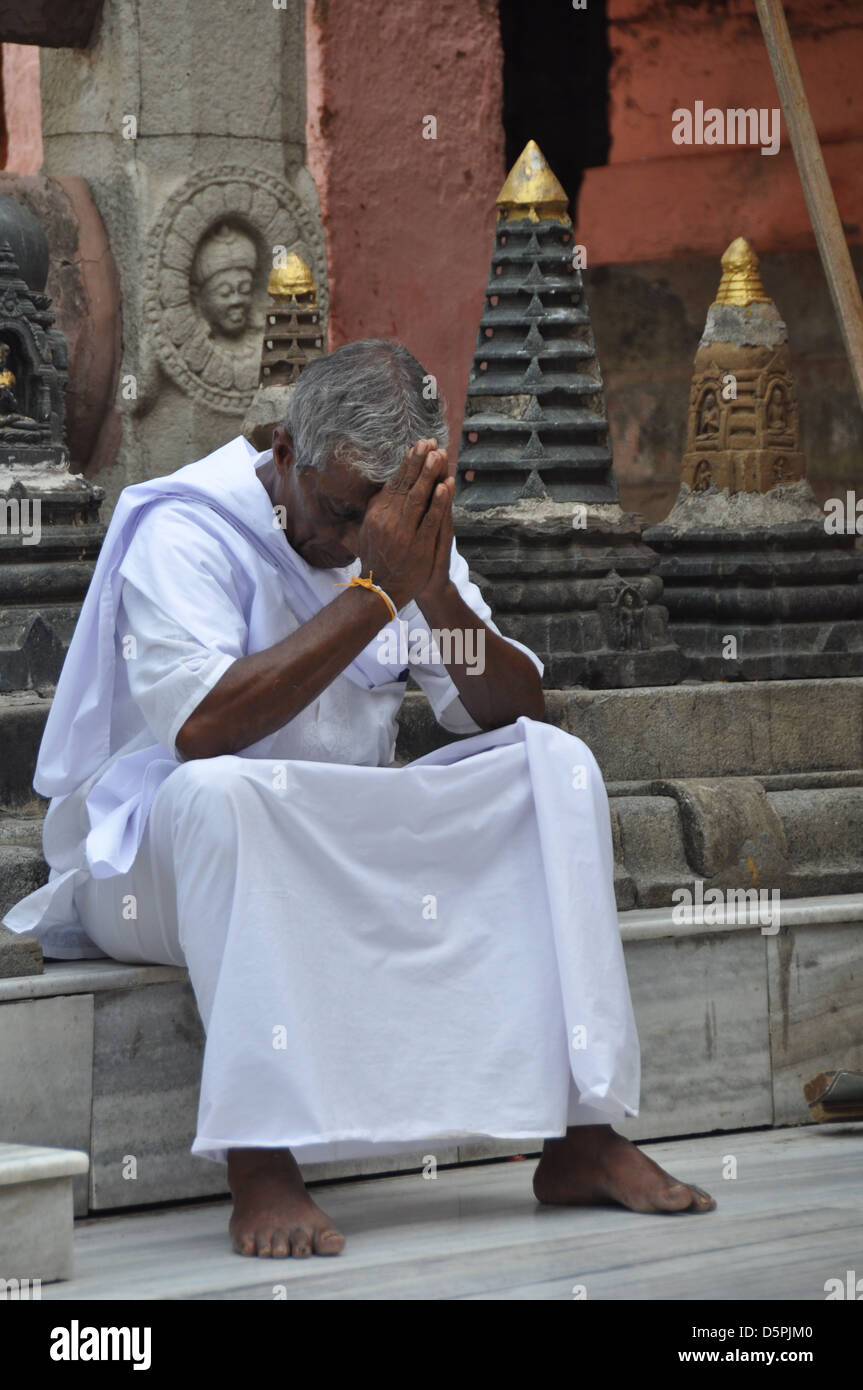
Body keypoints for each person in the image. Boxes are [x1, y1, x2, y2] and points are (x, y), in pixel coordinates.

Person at [3, 339, 715, 1259]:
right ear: (284, 450)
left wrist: (431, 592)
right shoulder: (187, 526)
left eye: (371, 524)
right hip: (153, 859)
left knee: (556, 769)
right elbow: (205, 727)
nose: (345, 542)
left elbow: (506, 709)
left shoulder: (393, 534)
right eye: (338, 512)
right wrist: (379, 593)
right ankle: (261, 1166)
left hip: (327, 839)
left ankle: (583, 1136)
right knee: (225, 794)